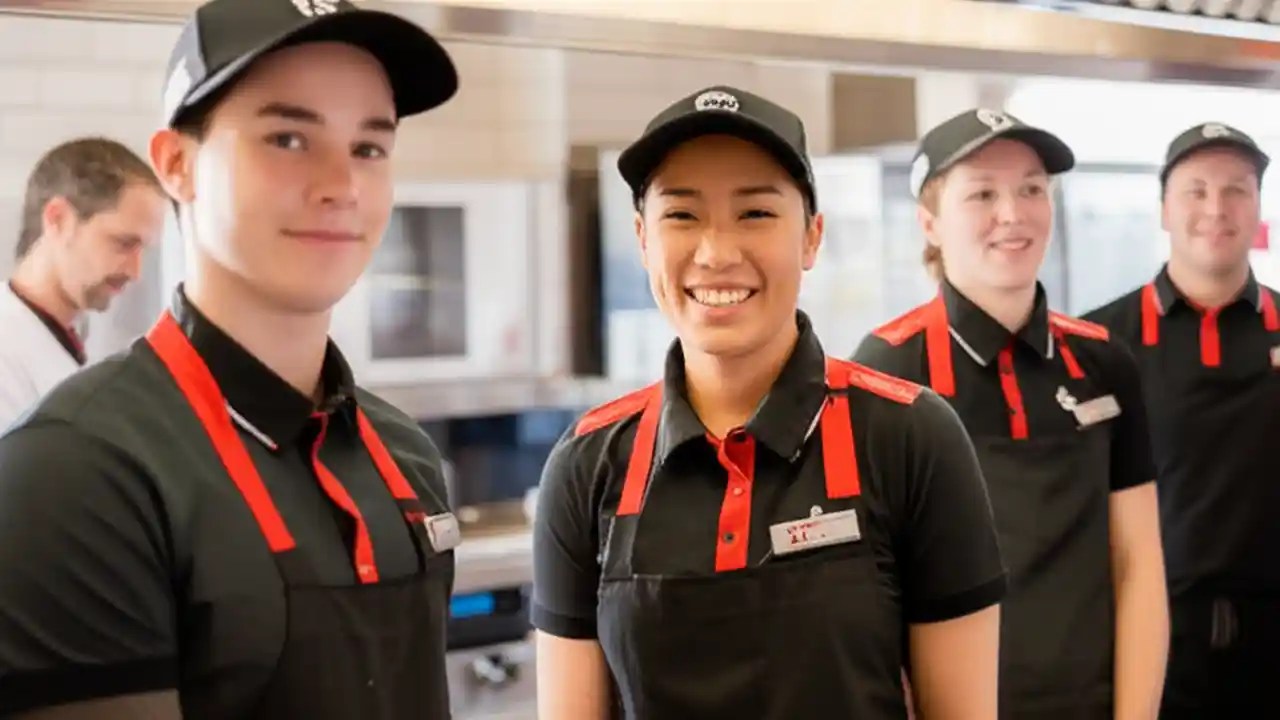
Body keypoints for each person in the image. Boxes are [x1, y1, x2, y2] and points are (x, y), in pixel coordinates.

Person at [0, 0, 461, 718]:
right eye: (287, 137)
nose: (341, 185)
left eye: (369, 147)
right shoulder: (73, 475)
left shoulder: (404, 459)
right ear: (177, 166)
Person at [533, 85, 1008, 720]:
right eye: (682, 215)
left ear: (811, 237)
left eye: (755, 214)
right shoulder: (588, 464)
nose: (716, 253)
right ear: (643, 238)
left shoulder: (910, 436)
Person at [853, 108, 1170, 720]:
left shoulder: (1103, 362)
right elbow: (871, 600)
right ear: (930, 223)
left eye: (1031, 189)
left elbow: (1137, 563)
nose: (1013, 213)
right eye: (982, 194)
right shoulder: (887, 370)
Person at [1082, 122, 1279, 718]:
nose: (1216, 209)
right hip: (1149, 640)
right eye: (1196, 190)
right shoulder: (1098, 344)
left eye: (1237, 190)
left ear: (1258, 208)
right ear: (1165, 210)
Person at [0, 137, 166, 429]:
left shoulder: (68, 343)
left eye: (143, 250)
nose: (135, 271)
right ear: (58, 219)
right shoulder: (7, 350)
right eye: (124, 243)